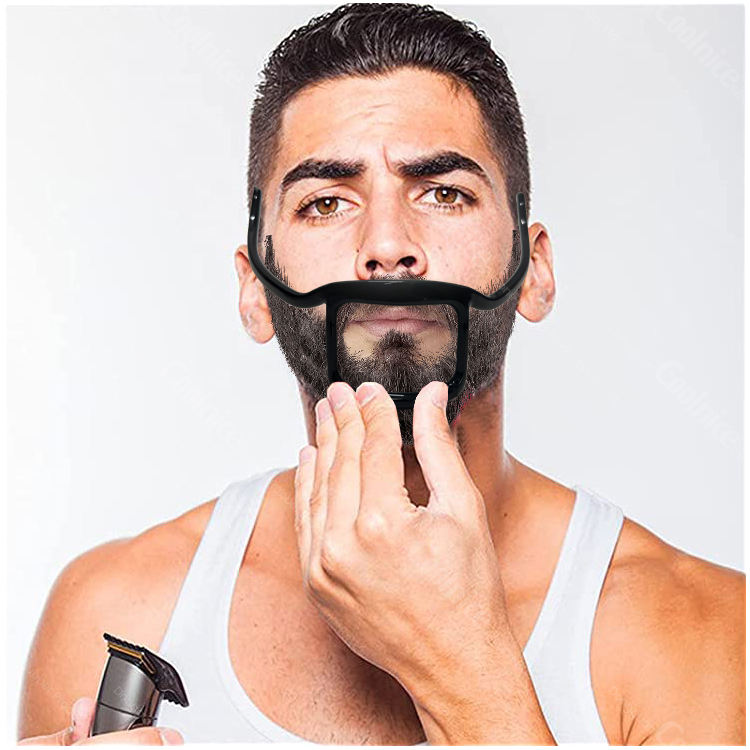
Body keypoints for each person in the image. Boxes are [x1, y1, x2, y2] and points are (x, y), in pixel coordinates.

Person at [17, 3, 744, 745]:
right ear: (255, 290)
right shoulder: (116, 613)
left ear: (535, 271)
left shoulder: (702, 633)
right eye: (326, 202)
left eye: (444, 192)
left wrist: (458, 659)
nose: (388, 245)